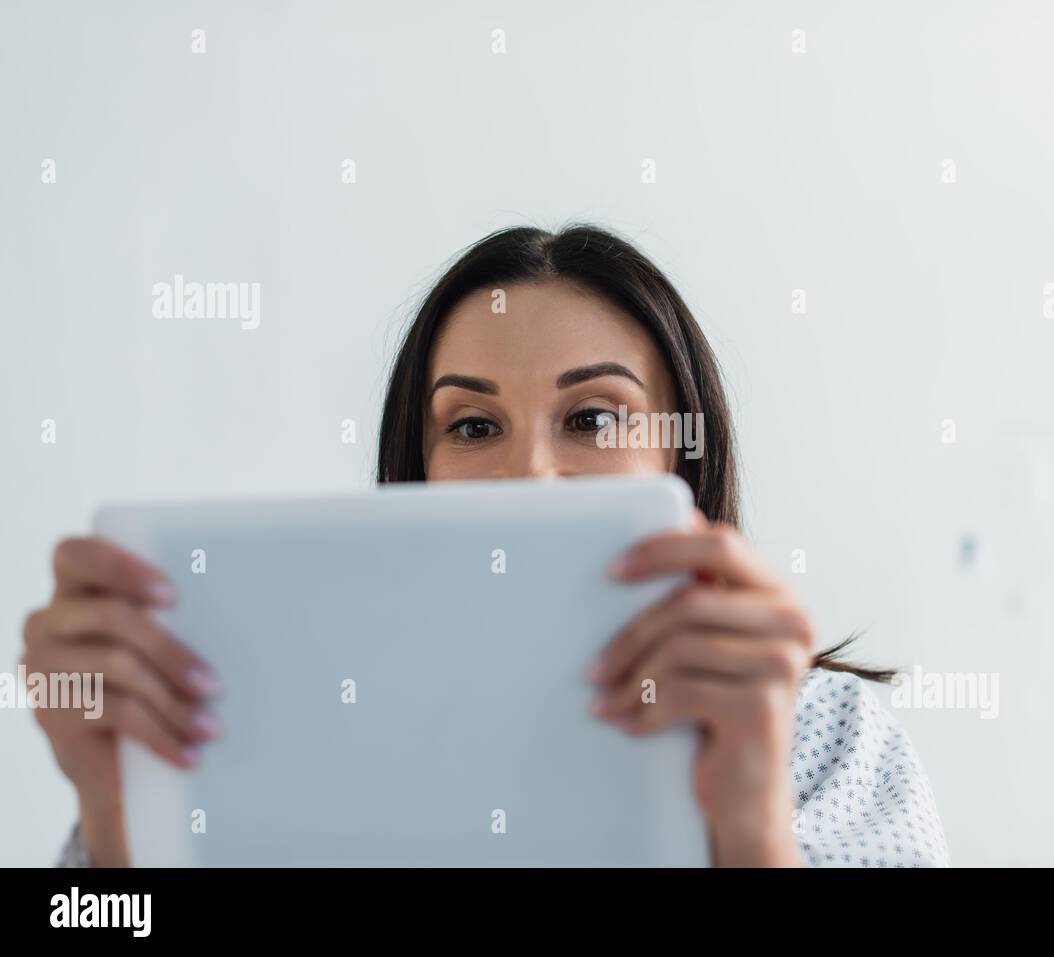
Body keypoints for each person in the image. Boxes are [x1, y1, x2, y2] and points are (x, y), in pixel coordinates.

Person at [27, 223, 950, 868]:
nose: (531, 475)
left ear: (684, 451)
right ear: (415, 468)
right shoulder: (285, 730)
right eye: (472, 427)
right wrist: (118, 818)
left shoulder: (823, 732)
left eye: (592, 416)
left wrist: (748, 826)